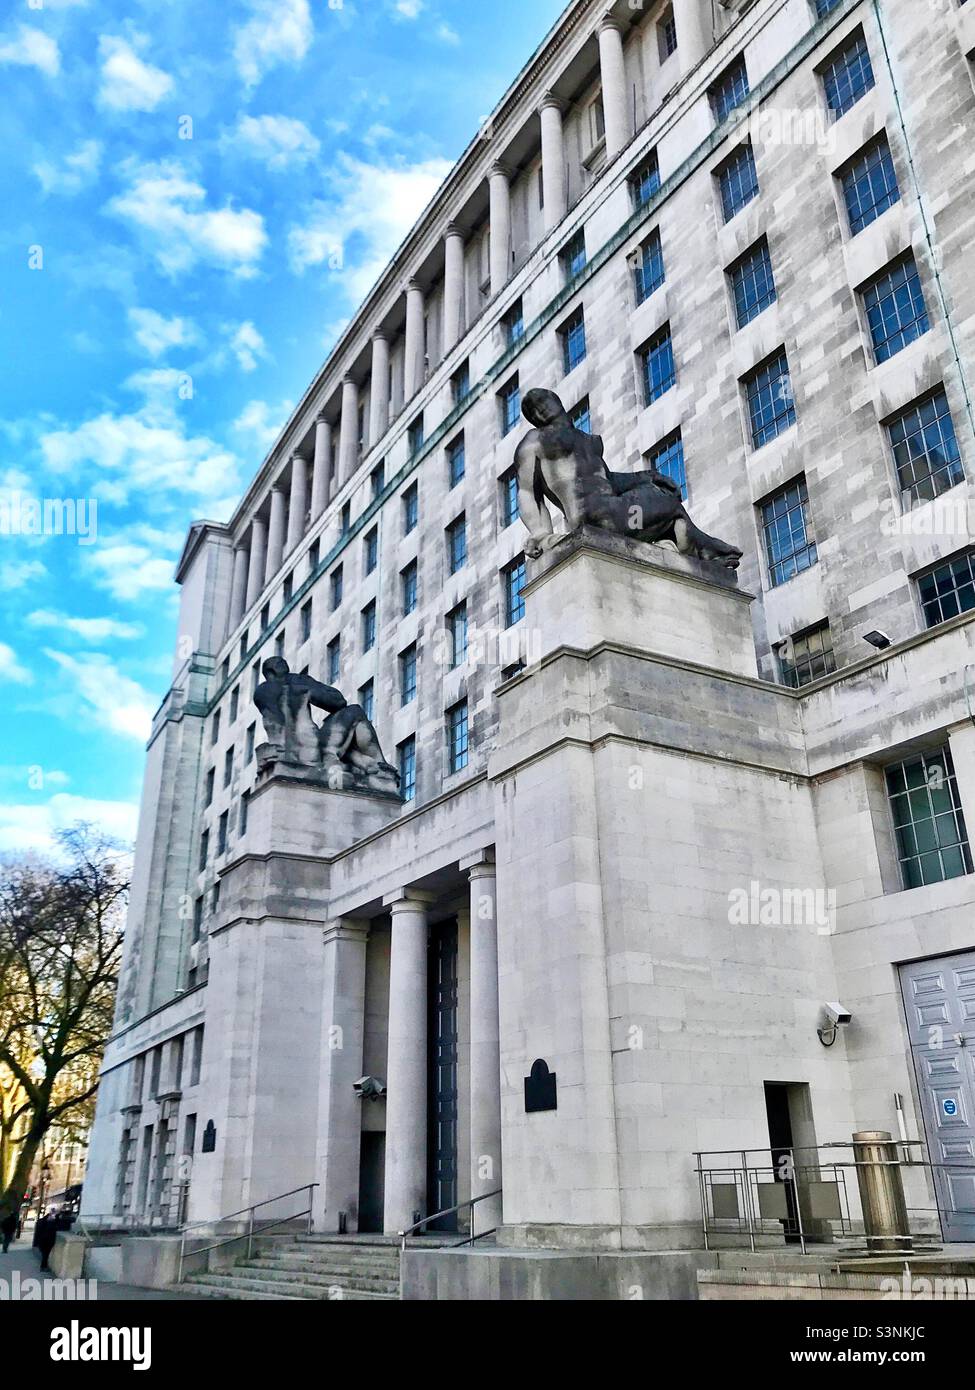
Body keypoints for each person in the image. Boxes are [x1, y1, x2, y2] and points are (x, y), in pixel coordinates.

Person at [514, 387, 743, 568]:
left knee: (661, 498)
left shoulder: (587, 440)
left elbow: (608, 481)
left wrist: (648, 476)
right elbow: (527, 492)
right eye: (532, 411)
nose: (539, 410)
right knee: (669, 504)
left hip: (618, 514)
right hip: (599, 518)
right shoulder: (535, 440)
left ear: (556, 400)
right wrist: (541, 533)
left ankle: (688, 548)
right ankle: (702, 549)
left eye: (542, 401)